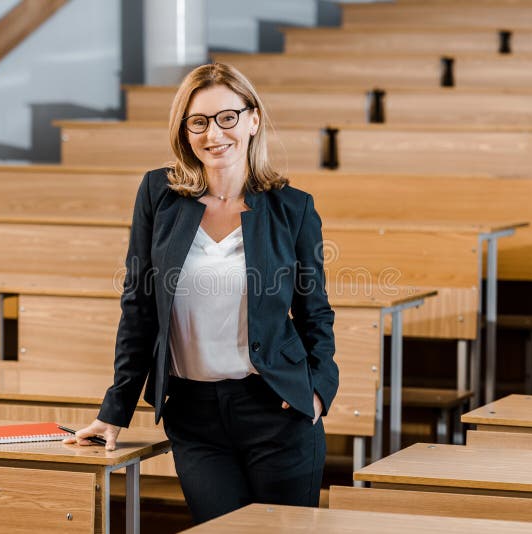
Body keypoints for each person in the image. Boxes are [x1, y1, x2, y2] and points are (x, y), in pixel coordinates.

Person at [65, 63, 337, 523]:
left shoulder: (293, 208)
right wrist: (115, 409)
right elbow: (139, 307)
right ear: (185, 130)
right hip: (195, 417)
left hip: (277, 410)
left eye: (227, 117)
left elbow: (315, 313)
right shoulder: (159, 194)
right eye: (199, 121)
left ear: (253, 120)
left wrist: (317, 391)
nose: (214, 133)